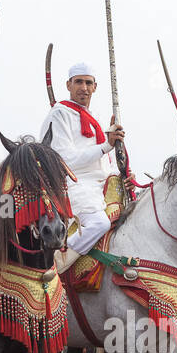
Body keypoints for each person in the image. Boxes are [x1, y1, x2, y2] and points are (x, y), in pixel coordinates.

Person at [39, 62, 125, 273]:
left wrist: (121, 173)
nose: (83, 88)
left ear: (95, 87)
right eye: (78, 82)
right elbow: (64, 159)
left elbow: (103, 160)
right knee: (99, 224)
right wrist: (106, 145)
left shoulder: (92, 116)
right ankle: (59, 262)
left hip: (99, 183)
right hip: (73, 182)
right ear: (68, 84)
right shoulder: (59, 114)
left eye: (88, 83)